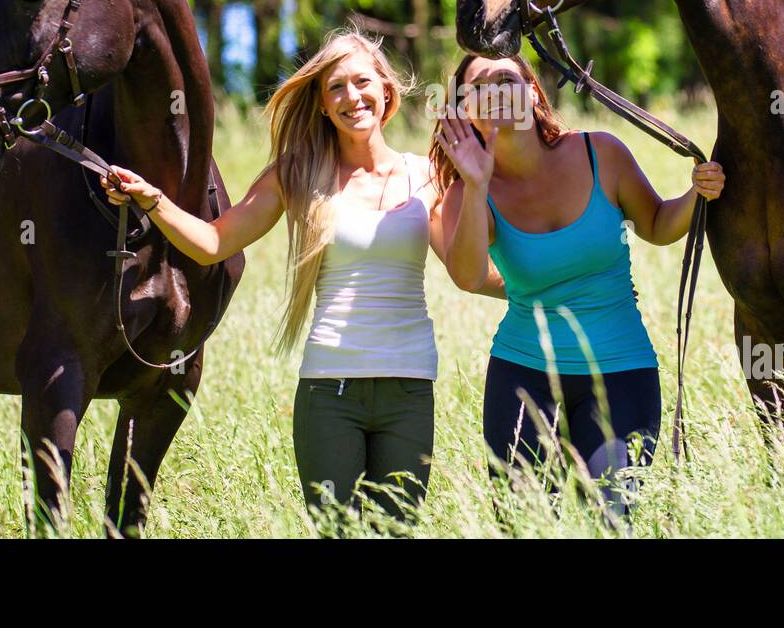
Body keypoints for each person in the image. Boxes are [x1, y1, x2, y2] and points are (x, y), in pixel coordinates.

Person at [101, 28, 502, 528]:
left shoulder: (424, 176)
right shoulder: (296, 175)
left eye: (361, 83)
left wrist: (548, 281)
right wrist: (152, 200)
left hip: (409, 388)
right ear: (320, 104)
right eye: (335, 87)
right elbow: (213, 243)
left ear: (385, 90)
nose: (351, 97)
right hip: (328, 393)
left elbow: (469, 273)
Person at [431, 52, 724, 519]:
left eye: (506, 79)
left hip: (621, 372)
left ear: (532, 91)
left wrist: (697, 194)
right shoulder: (466, 191)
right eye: (481, 86)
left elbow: (657, 223)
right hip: (522, 377)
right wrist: (476, 181)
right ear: (467, 109)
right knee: (525, 525)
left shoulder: (600, 153)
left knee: (611, 515)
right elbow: (467, 275)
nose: (498, 91)